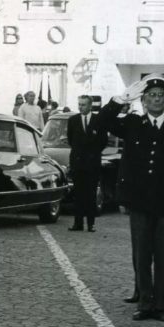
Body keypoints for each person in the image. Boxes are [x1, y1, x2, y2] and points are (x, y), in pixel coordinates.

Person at [101, 75, 164, 322]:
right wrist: (120, 99)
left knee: (163, 255)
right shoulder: (133, 123)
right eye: (151, 95)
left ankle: (160, 305)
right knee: (142, 254)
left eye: (160, 95)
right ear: (143, 100)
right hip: (139, 200)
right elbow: (102, 122)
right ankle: (144, 302)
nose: (156, 99)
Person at [67, 95, 107, 233]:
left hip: (92, 163)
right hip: (77, 163)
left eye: (83, 104)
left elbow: (103, 140)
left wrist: (93, 153)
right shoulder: (73, 120)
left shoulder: (98, 120)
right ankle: (77, 223)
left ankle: (91, 224)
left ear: (90, 106)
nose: (80, 107)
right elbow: (71, 139)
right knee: (78, 194)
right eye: (79, 104)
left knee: (91, 194)